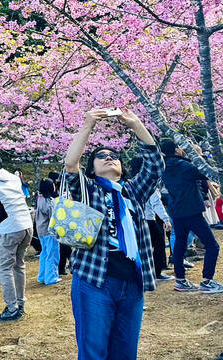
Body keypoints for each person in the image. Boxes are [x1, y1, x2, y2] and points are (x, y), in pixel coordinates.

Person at [63, 107, 162, 360]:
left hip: (132, 280)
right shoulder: (88, 190)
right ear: (93, 168)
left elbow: (155, 167)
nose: (109, 157)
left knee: (126, 352)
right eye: (101, 156)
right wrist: (87, 125)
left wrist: (136, 124)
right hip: (95, 279)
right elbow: (70, 164)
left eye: (114, 155)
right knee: (94, 351)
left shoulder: (132, 191)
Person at [160, 138, 222, 293]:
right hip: (192, 211)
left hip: (176, 211)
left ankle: (181, 280)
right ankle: (207, 281)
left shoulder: (163, 167)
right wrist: (200, 156)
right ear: (176, 150)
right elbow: (207, 173)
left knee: (179, 245)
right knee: (212, 246)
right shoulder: (185, 166)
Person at [0, 151, 34, 321]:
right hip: (27, 225)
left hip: (10, 228)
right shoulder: (13, 177)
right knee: (19, 265)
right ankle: (20, 302)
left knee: (4, 268)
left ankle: (12, 308)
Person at [144, 187, 173, 281]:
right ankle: (157, 272)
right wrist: (166, 219)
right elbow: (156, 203)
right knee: (159, 244)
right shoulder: (150, 186)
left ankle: (146, 272)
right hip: (148, 219)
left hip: (136, 219)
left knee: (144, 247)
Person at [35, 178, 60, 285]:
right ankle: (51, 277)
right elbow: (53, 219)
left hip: (41, 231)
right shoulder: (49, 202)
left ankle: (42, 276)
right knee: (52, 254)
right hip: (50, 232)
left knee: (44, 254)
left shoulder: (39, 199)